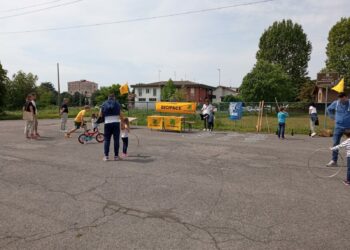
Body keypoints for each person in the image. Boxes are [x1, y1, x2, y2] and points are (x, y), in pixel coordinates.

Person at [326, 92, 350, 167]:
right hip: (338, 127)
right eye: (339, 99)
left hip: (348, 127)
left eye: (342, 99)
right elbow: (328, 109)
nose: (341, 101)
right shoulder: (336, 103)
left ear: (346, 97)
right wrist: (333, 117)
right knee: (335, 143)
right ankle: (334, 160)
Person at [100, 93, 122, 161]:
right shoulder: (117, 103)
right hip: (116, 123)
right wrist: (123, 121)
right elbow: (120, 114)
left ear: (108, 97)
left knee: (107, 140)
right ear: (114, 97)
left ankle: (106, 156)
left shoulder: (104, 104)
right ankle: (116, 156)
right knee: (116, 140)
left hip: (107, 123)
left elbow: (100, 114)